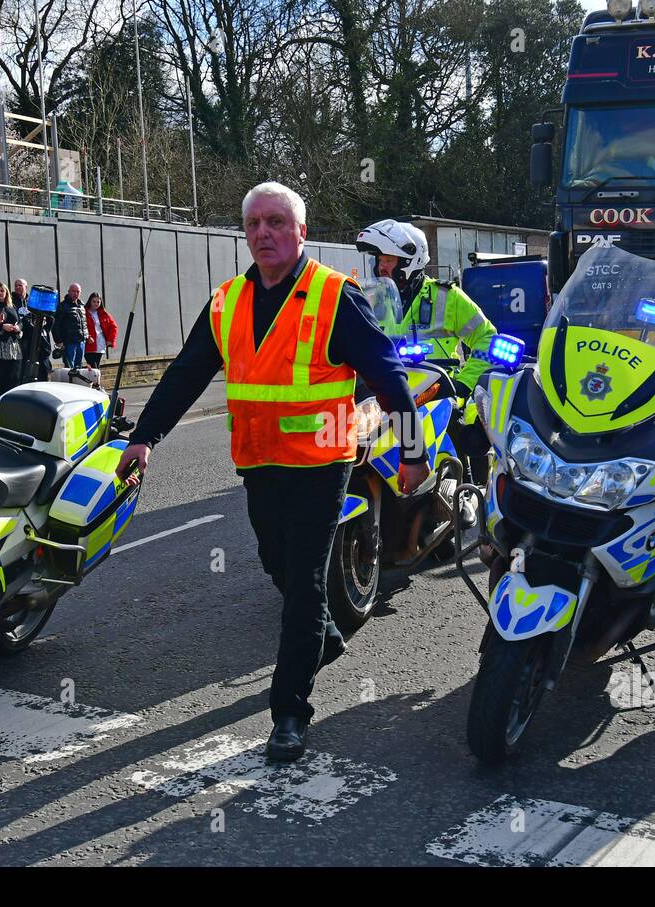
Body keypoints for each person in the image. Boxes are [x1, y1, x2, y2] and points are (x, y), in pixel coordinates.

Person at [116, 181, 430, 762]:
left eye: (277, 222)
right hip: (259, 462)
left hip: (321, 462)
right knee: (274, 562)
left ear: (301, 232)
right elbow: (187, 373)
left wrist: (412, 452)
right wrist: (145, 438)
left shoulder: (336, 296)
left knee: (307, 580)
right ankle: (326, 636)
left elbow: (388, 376)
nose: (264, 233)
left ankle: (289, 712)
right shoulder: (227, 301)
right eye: (255, 223)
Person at [354, 218, 498, 486]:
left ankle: (466, 491)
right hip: (386, 393)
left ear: (409, 262)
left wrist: (463, 384)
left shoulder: (447, 297)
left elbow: (487, 339)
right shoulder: (372, 298)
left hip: (440, 393)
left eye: (388, 260)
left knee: (466, 433)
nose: (381, 267)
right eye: (379, 259)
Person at [13, 277, 53, 382]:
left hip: (36, 336)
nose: (17, 287)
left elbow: (50, 318)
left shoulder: (33, 300)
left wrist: (44, 329)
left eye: (20, 285)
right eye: (16, 285)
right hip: (21, 338)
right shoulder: (11, 301)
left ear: (26, 287)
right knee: (23, 364)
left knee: (42, 364)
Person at [54, 282, 87, 370]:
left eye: (78, 291)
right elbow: (56, 325)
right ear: (68, 292)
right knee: (69, 368)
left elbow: (84, 323)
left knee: (78, 368)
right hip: (69, 343)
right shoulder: (62, 306)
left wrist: (87, 335)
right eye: (73, 291)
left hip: (81, 342)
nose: (75, 293)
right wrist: (58, 340)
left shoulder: (81, 306)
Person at [83, 291, 119, 369]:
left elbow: (114, 327)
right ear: (90, 301)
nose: (96, 304)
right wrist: (87, 337)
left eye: (98, 302)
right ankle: (95, 381)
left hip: (100, 344)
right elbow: (81, 326)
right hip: (88, 345)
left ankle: (95, 381)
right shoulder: (83, 312)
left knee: (96, 367)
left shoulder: (104, 313)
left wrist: (110, 340)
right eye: (94, 301)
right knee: (93, 367)